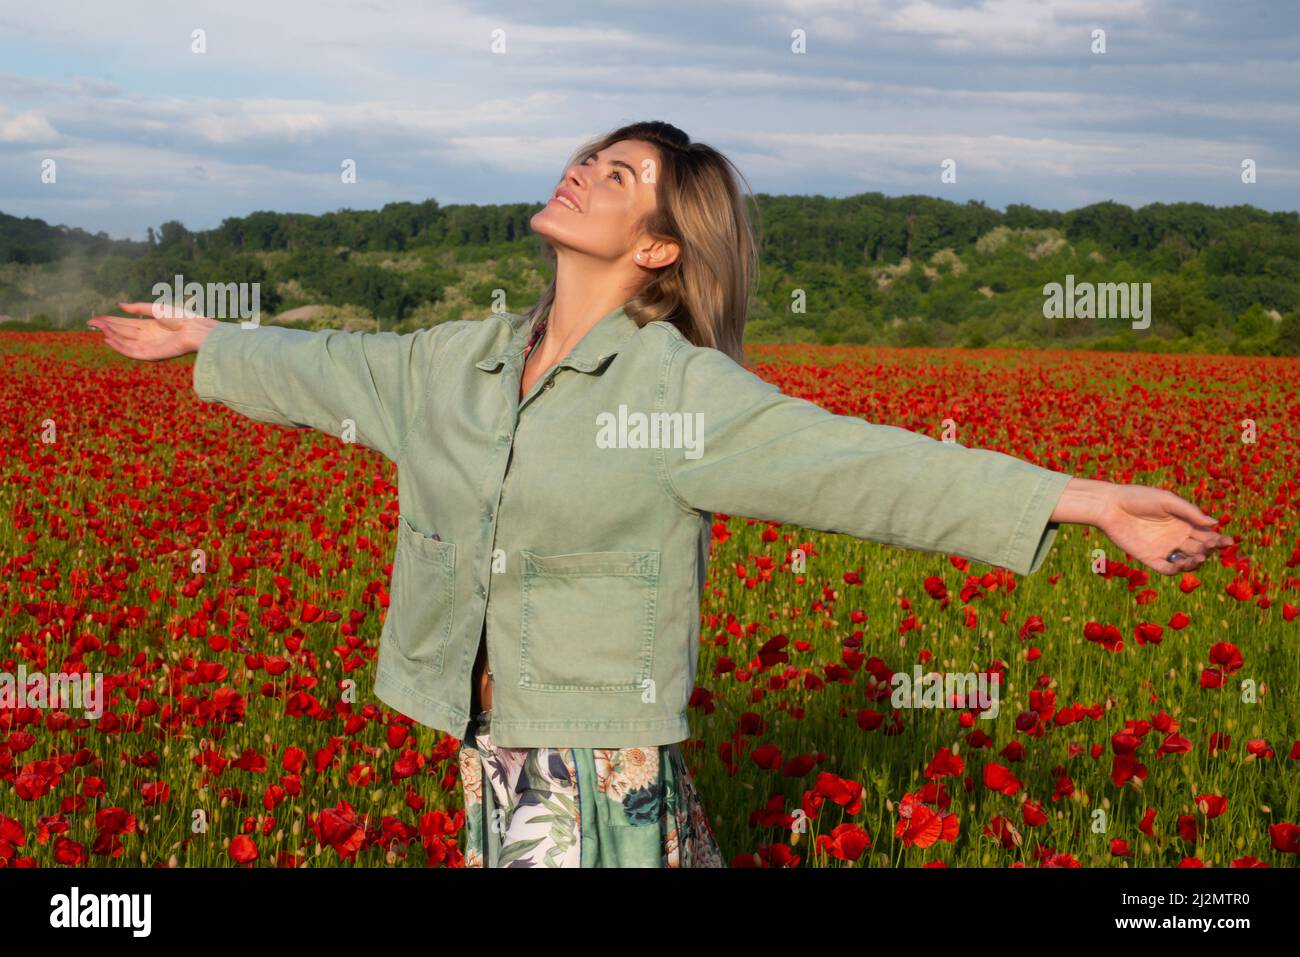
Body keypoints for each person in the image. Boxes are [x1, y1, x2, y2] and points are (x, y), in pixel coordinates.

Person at [88, 120, 1233, 868]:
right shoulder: (458, 359)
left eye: (620, 176)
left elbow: (864, 465)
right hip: (489, 752)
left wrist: (1075, 498)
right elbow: (335, 369)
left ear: (657, 249)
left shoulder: (677, 392)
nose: (583, 169)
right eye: (592, 156)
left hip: (598, 771)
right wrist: (208, 338)